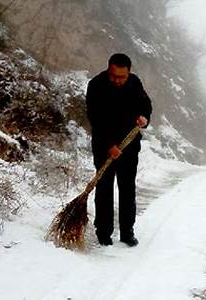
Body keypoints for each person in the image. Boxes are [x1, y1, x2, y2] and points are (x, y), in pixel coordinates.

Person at [86, 53, 152, 247]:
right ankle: (104, 232)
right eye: (113, 75)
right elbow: (95, 118)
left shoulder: (134, 83)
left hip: (130, 146)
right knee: (104, 188)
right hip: (104, 146)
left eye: (121, 77)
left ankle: (127, 232)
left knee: (127, 188)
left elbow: (146, 105)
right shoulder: (96, 85)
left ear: (128, 73)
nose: (117, 80)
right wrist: (109, 146)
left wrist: (144, 117)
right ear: (109, 69)